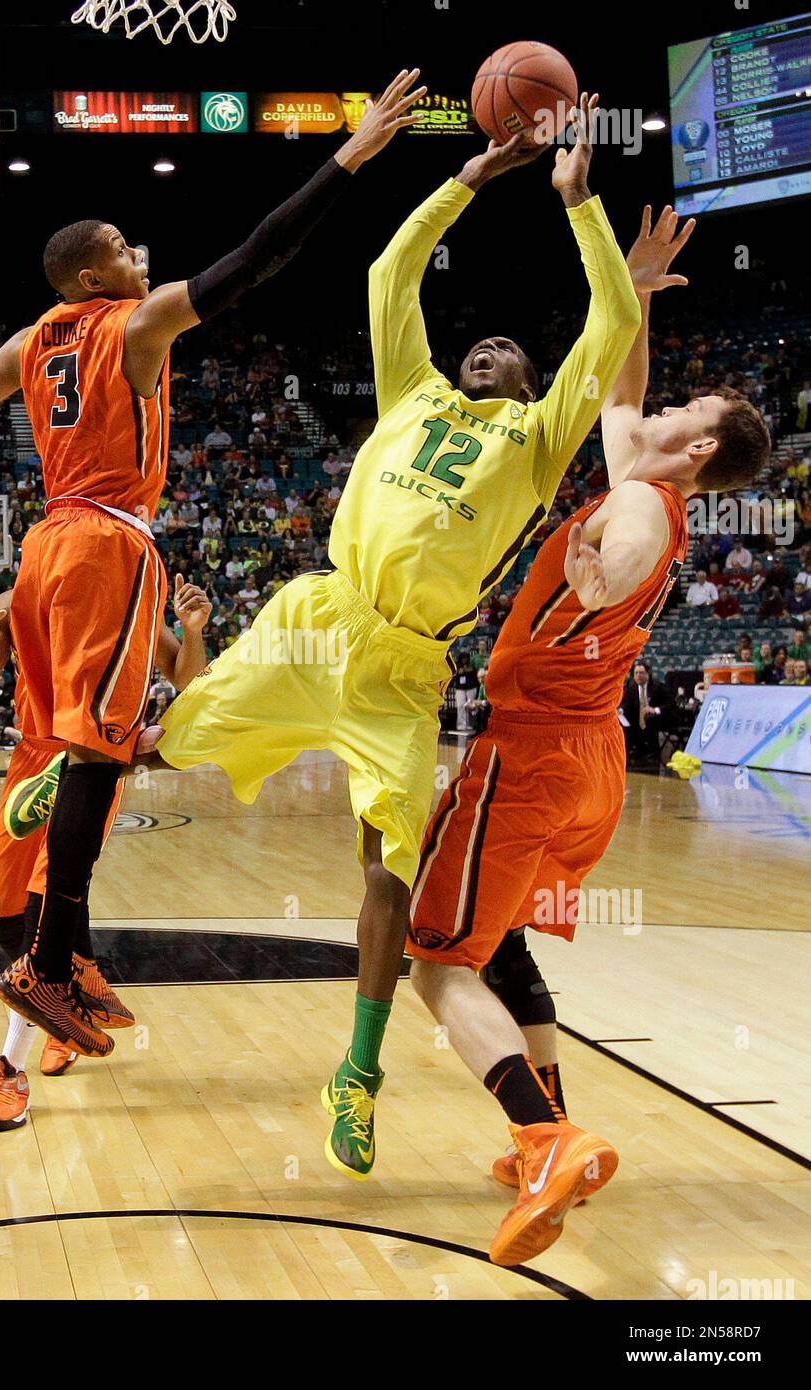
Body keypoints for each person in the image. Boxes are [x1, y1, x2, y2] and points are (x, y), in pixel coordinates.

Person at [0, 70, 424, 1057]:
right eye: (120, 247)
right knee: (99, 752)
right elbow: (257, 256)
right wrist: (348, 158)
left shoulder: (29, 342)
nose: (139, 253)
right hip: (107, 541)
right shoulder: (136, 322)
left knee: (83, 746)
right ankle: (48, 962)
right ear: (91, 280)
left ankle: (71, 957)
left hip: (47, 543)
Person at [131, 95, 645, 1182]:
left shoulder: (541, 437)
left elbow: (609, 326)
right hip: (317, 620)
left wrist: (576, 200)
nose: (488, 346)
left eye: (508, 348)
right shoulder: (411, 388)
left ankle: (356, 1074)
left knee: (389, 878)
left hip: (403, 672)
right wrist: (468, 177)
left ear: (528, 382)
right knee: (166, 743)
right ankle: (80, 773)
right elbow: (389, 272)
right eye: (480, 342)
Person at [405, 205, 770, 1267]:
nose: (661, 406)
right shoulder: (643, 481)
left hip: (530, 755)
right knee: (505, 940)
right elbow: (616, 393)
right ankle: (553, 1120)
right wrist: (635, 298)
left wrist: (597, 583)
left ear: (697, 447)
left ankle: (544, 1138)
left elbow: (625, 559)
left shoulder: (644, 510)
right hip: (588, 764)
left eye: (685, 409)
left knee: (438, 961)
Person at [0, 574, 210, 1131]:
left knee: (43, 907)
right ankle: (68, 998)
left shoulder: (127, 596)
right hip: (32, 756)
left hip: (91, 757)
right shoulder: (12, 603)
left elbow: (188, 676)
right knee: (2, 914)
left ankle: (11, 1070)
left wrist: (192, 632)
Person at [621, 659, 676, 764]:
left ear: (647, 674)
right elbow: (626, 705)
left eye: (641, 673)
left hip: (658, 718)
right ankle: (632, 751)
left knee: (649, 719)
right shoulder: (631, 687)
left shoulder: (658, 686)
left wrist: (655, 710)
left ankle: (653, 752)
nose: (638, 676)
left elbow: (671, 703)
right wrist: (620, 710)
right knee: (625, 721)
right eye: (636, 673)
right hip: (637, 718)